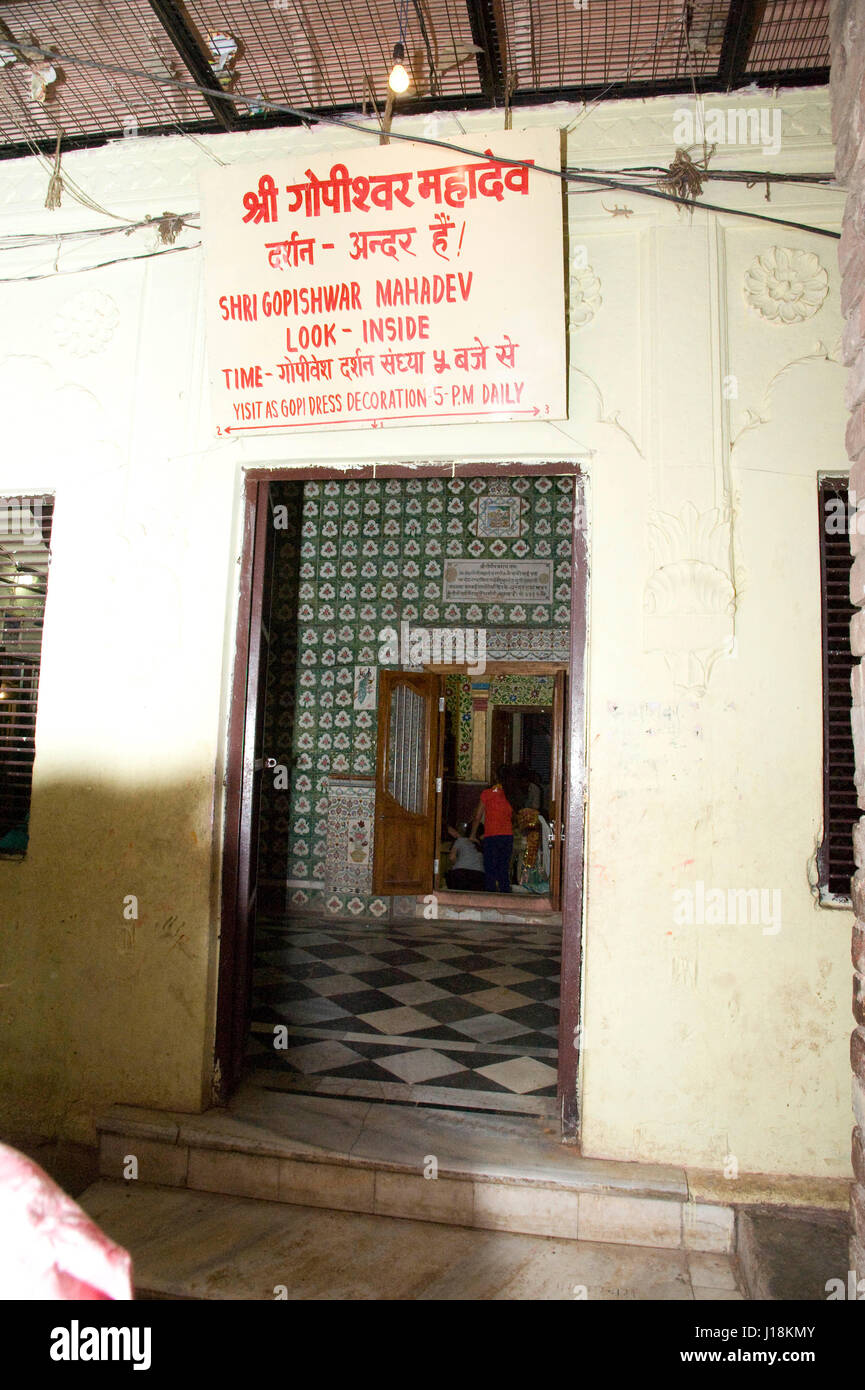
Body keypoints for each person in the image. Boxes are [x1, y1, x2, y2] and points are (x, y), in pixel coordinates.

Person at [470, 766, 514, 893]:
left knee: (490, 869)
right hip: (507, 836)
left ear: (495, 777)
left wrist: (473, 834)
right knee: (503, 869)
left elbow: (478, 816)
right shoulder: (510, 794)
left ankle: (490, 898)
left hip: (491, 835)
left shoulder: (487, 794)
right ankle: (506, 896)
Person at [444, 822, 485, 891]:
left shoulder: (461, 840)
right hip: (478, 876)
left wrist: (457, 863)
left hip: (460, 874)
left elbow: (452, 857)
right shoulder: (482, 844)